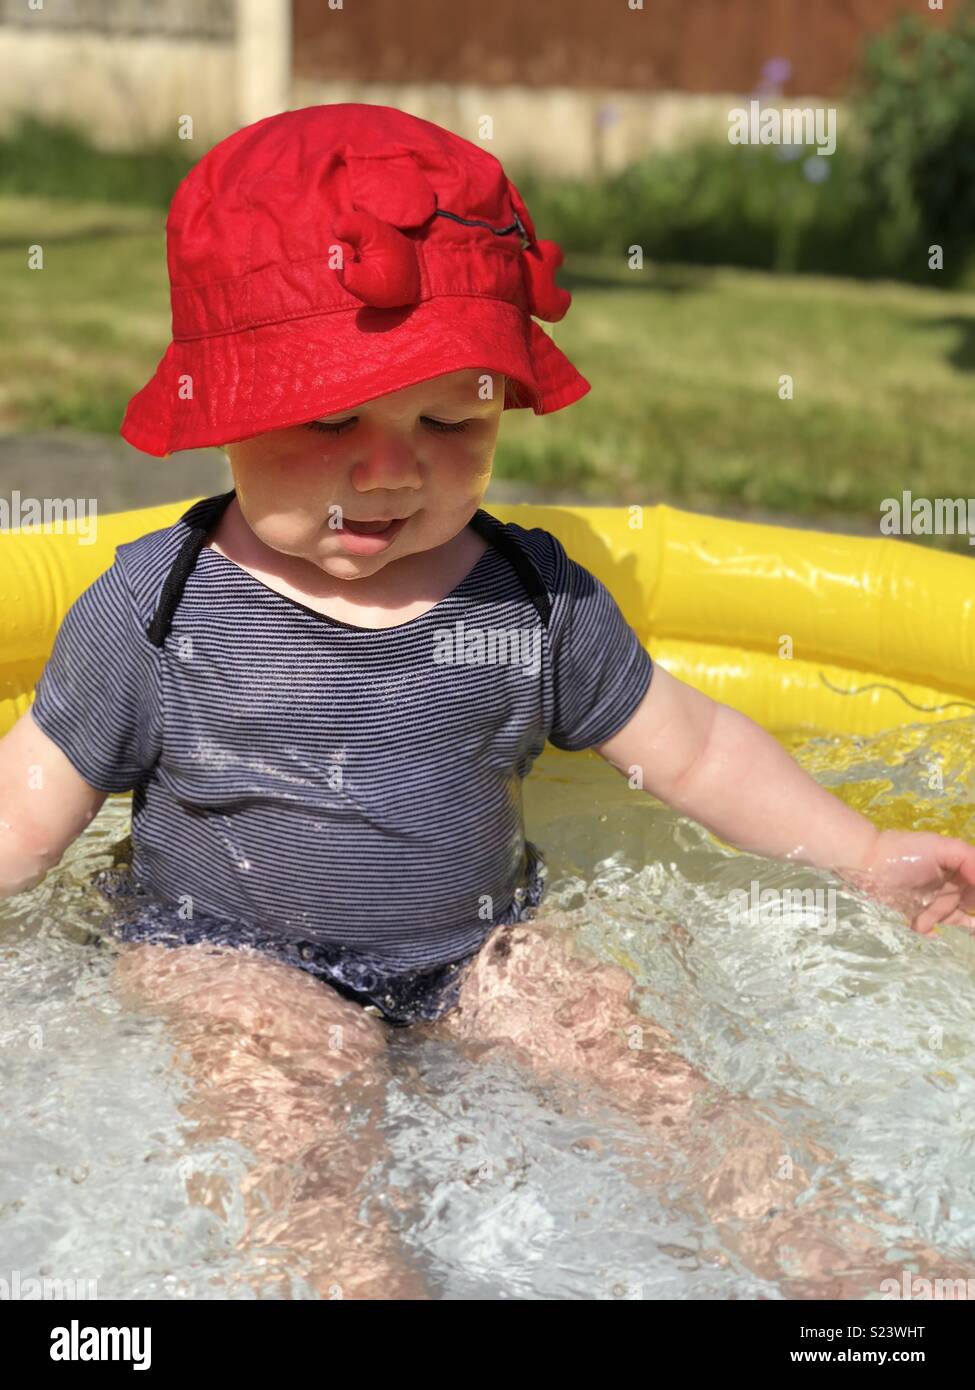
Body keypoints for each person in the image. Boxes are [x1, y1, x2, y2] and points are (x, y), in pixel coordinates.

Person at [1, 104, 973, 1300]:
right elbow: (27, 808)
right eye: (330, 417)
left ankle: (858, 1273)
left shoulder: (528, 596)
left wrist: (863, 852)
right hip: (234, 956)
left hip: (477, 950)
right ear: (227, 409)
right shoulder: (158, 606)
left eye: (451, 421)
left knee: (658, 1081)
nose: (393, 466)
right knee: (298, 1147)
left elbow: (696, 748)